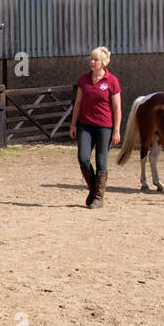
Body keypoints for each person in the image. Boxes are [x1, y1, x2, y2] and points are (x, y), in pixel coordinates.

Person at [67, 47, 121, 208]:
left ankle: (98, 198)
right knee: (83, 158)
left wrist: (116, 130)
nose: (92, 62)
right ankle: (94, 190)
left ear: (103, 63)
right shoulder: (83, 79)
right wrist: (73, 123)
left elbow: (117, 107)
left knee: (101, 161)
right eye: (91, 59)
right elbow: (78, 102)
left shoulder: (112, 81)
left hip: (105, 126)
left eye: (95, 60)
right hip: (86, 125)